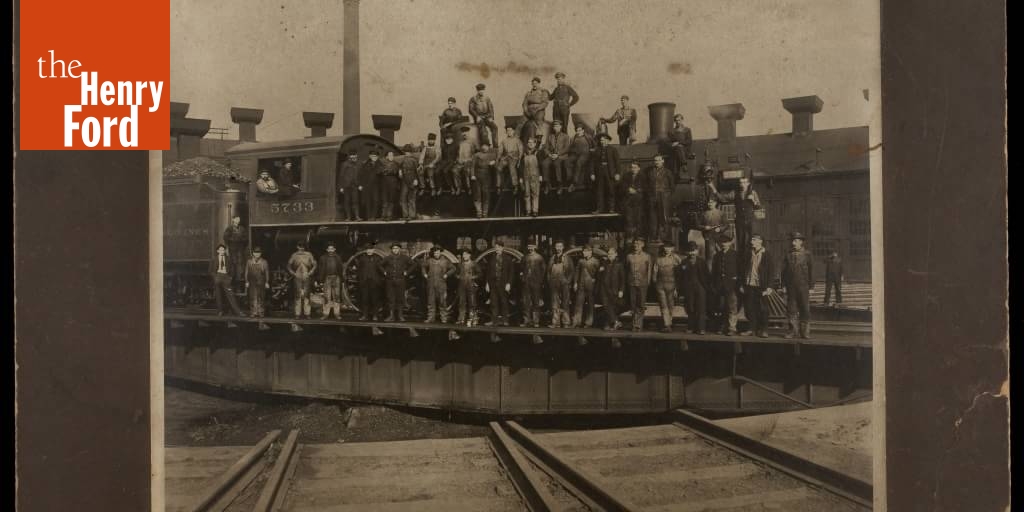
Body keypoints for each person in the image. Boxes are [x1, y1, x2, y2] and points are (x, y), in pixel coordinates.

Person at [718, 176, 762, 259]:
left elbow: (759, 207)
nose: (742, 184)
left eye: (744, 182)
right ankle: (741, 262)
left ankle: (751, 261)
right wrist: (713, 190)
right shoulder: (735, 193)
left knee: (751, 241)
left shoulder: (753, 193)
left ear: (748, 183)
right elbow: (722, 199)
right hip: (739, 222)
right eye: (741, 182)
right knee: (740, 243)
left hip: (750, 221)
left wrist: (753, 200)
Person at [781, 231, 814, 339]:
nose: (793, 243)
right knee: (791, 309)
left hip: (803, 286)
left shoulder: (807, 254)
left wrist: (811, 287)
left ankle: (805, 332)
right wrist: (783, 285)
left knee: (805, 308)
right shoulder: (788, 254)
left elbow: (812, 271)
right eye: (792, 241)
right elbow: (784, 271)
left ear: (801, 242)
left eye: (795, 241)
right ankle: (793, 331)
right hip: (791, 287)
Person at [741, 234, 773, 338]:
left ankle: (763, 330)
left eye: (754, 240)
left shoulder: (766, 254)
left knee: (763, 309)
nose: (752, 242)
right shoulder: (748, 254)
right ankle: (751, 329)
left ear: (760, 241)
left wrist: (769, 286)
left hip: (762, 286)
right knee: (749, 308)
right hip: (749, 285)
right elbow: (742, 270)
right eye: (751, 240)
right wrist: (742, 284)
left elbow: (771, 271)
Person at [711, 235, 740, 335]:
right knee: (721, 307)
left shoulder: (735, 254)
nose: (724, 244)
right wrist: (714, 285)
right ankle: (722, 326)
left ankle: (732, 328)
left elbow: (740, 270)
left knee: (732, 306)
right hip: (719, 285)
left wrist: (737, 282)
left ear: (730, 243)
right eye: (722, 242)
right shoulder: (717, 255)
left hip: (731, 285)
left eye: (726, 242)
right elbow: (714, 272)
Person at [679, 241, 709, 334]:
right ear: (687, 252)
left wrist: (706, 287)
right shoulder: (684, 262)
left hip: (700, 287)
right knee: (690, 307)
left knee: (701, 308)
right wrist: (682, 290)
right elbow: (681, 277)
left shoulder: (702, 262)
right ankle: (690, 327)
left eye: (694, 250)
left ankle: (701, 328)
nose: (692, 253)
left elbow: (707, 275)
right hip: (689, 288)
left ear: (697, 251)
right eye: (690, 251)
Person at [653, 242, 682, 332]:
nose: (667, 249)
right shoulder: (658, 259)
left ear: (673, 248)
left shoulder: (676, 258)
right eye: (665, 247)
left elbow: (680, 273)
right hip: (660, 285)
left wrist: (677, 287)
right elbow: (654, 273)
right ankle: (667, 324)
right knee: (663, 305)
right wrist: (655, 283)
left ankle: (670, 321)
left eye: (669, 247)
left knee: (670, 304)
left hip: (672, 285)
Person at [485, 240, 515, 326]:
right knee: (494, 303)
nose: (496, 249)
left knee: (504, 302)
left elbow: (511, 273)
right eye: (496, 247)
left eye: (498, 247)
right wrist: (487, 283)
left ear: (502, 247)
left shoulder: (508, 258)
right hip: (493, 284)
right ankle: (494, 321)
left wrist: (509, 283)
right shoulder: (492, 258)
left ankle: (505, 320)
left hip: (503, 284)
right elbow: (488, 272)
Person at [210, 244, 245, 316]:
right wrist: (215, 277)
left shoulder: (228, 259)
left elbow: (232, 268)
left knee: (231, 295)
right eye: (221, 250)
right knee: (218, 295)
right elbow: (210, 270)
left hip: (226, 276)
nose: (222, 251)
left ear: (225, 251)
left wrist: (230, 277)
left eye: (223, 250)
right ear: (218, 251)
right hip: (218, 276)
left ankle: (238, 312)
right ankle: (220, 311)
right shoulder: (214, 259)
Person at [422, 246, 455, 323]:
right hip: (431, 284)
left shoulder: (445, 261)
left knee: (442, 301)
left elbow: (453, 268)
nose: (436, 254)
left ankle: (444, 318)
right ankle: (431, 318)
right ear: (433, 253)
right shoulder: (429, 261)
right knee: (431, 301)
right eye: (435, 253)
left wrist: (447, 274)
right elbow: (423, 266)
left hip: (441, 284)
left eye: (437, 252)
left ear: (440, 252)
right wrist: (424, 274)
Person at [626, 238, 653, 331]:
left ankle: (639, 324)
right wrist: (628, 282)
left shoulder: (647, 256)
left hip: (642, 283)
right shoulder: (629, 256)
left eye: (638, 244)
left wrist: (648, 282)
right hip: (632, 283)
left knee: (641, 304)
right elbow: (627, 269)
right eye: (635, 244)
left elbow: (649, 270)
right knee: (633, 304)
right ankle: (634, 324)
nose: (636, 246)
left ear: (643, 245)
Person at [382, 243, 413, 322]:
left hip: (400, 281)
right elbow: (379, 265)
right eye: (394, 248)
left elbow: (414, 264)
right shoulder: (387, 258)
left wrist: (407, 272)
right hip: (390, 281)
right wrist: (384, 271)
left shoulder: (404, 258)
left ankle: (400, 316)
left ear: (399, 249)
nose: (395, 250)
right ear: (392, 250)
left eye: (397, 248)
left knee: (400, 298)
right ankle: (391, 316)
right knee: (391, 299)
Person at [351, 243, 383, 320]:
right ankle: (365, 315)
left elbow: (381, 270)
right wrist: (360, 279)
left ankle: (375, 315)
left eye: (370, 249)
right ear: (366, 250)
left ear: (373, 250)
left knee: (375, 299)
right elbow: (359, 270)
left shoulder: (377, 259)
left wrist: (379, 280)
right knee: (365, 299)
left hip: (374, 282)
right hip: (364, 282)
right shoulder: (362, 259)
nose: (369, 251)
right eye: (368, 250)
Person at [287, 242, 317, 320]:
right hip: (297, 277)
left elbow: (314, 264)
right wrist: (293, 273)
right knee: (297, 295)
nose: (301, 248)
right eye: (300, 247)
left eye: (303, 247)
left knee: (307, 295)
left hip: (306, 277)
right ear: (297, 247)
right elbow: (288, 266)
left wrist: (310, 272)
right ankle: (297, 314)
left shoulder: (309, 254)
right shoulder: (294, 255)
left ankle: (307, 313)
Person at [547, 241, 574, 328]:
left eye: (560, 246)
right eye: (557, 246)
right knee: (555, 303)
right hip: (554, 283)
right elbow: (548, 271)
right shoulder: (552, 258)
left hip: (564, 283)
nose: (558, 248)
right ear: (555, 247)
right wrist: (549, 281)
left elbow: (571, 271)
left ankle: (566, 322)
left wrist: (568, 281)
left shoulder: (567, 258)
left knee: (565, 303)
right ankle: (556, 323)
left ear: (563, 247)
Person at [647, 155, 674, 242]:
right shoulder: (650, 172)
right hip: (653, 198)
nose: (657, 162)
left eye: (659, 160)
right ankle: (654, 237)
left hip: (664, 197)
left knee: (664, 217)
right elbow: (648, 185)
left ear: (663, 161)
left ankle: (665, 238)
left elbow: (672, 186)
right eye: (655, 160)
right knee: (653, 218)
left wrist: (666, 195)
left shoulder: (668, 172)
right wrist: (650, 196)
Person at [591, 133, 620, 214]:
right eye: (601, 140)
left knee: (611, 190)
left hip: (610, 172)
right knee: (599, 191)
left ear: (608, 140)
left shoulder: (613, 149)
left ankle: (611, 208)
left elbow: (617, 162)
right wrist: (592, 173)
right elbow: (592, 163)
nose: (602, 142)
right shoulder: (597, 150)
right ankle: (599, 209)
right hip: (599, 172)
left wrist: (617, 173)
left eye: (604, 140)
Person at [519, 239, 546, 327]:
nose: (530, 248)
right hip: (526, 283)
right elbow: (521, 269)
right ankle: (526, 320)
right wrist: (522, 278)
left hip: (536, 283)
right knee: (526, 302)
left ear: (535, 247)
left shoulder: (539, 257)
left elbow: (543, 270)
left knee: (536, 302)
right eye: (529, 246)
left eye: (532, 246)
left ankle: (536, 321)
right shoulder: (525, 257)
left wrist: (540, 281)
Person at [573, 244, 601, 328]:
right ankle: (577, 322)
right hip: (581, 285)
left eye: (585, 251)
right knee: (578, 304)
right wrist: (575, 283)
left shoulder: (596, 261)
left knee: (590, 305)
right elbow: (577, 272)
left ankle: (589, 323)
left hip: (591, 286)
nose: (584, 253)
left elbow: (598, 275)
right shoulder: (580, 261)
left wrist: (596, 286)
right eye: (583, 251)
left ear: (590, 252)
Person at [541, 119, 571, 195]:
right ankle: (547, 184)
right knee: (544, 164)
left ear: (561, 127)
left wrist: (557, 154)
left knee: (557, 163)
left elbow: (567, 148)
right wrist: (549, 154)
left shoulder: (565, 136)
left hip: (561, 156)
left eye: (557, 126)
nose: (556, 127)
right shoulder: (550, 136)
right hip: (551, 155)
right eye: (554, 126)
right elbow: (546, 148)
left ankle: (559, 184)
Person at [316, 242, 345, 319]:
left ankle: (337, 314)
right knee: (326, 297)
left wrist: (341, 279)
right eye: (329, 249)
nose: (330, 250)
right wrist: (320, 280)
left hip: (336, 278)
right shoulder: (322, 258)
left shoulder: (338, 258)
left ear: (334, 249)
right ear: (327, 249)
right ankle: (325, 314)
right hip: (327, 279)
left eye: (332, 248)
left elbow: (341, 269)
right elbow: (320, 270)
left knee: (337, 296)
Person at [599, 246, 625, 330]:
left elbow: (622, 279)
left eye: (611, 254)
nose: (609, 255)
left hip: (614, 289)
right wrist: (600, 271)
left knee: (612, 306)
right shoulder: (604, 263)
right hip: (604, 289)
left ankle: (608, 324)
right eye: (608, 254)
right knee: (606, 305)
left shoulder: (619, 265)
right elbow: (599, 276)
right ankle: (616, 321)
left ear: (616, 254)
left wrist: (621, 290)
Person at [470, 141, 497, 218]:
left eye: (486, 146)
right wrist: (472, 175)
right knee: (477, 195)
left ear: (488, 147)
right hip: (477, 177)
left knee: (486, 195)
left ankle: (485, 213)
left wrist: (494, 163)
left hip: (487, 177)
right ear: (481, 146)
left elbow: (496, 165)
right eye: (483, 145)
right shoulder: (476, 155)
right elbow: (472, 166)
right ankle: (479, 212)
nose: (485, 147)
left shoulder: (492, 155)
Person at [621, 160, 646, 241]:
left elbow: (646, 187)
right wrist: (628, 189)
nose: (633, 169)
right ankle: (629, 237)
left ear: (639, 168)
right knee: (629, 219)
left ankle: (638, 237)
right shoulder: (626, 176)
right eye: (632, 167)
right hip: (628, 202)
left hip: (639, 201)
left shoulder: (643, 176)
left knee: (638, 219)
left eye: (635, 167)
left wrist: (637, 190)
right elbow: (622, 186)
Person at [455, 249, 481, 326]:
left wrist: (473, 277)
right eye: (463, 255)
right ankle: (461, 319)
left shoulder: (474, 264)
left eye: (466, 254)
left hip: (471, 285)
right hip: (462, 286)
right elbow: (456, 274)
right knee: (461, 302)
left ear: (470, 255)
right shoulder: (460, 265)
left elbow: (480, 273)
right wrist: (459, 277)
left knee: (472, 303)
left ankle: (473, 319)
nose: (464, 256)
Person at [496, 125, 524, 194]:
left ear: (513, 131)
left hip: (514, 158)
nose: (509, 132)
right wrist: (498, 159)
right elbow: (500, 151)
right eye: (507, 130)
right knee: (498, 168)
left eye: (510, 130)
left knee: (512, 168)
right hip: (506, 158)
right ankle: (498, 186)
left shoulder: (517, 140)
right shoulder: (504, 141)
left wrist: (519, 159)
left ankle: (515, 186)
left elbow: (521, 150)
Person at [698, 196, 725, 266]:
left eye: (711, 202)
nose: (709, 204)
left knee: (721, 255)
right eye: (708, 202)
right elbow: (698, 225)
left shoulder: (721, 213)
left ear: (715, 203)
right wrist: (704, 227)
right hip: (709, 238)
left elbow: (726, 225)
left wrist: (720, 229)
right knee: (709, 257)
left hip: (719, 237)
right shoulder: (704, 213)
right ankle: (709, 272)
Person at [521, 77, 550, 142]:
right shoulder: (528, 93)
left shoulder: (543, 92)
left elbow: (545, 103)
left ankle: (540, 139)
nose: (534, 85)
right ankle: (516, 138)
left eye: (536, 83)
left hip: (539, 111)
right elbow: (524, 104)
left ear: (539, 84)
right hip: (529, 111)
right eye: (533, 83)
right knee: (521, 123)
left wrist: (537, 109)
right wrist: (526, 111)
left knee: (539, 122)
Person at [244, 246, 270, 318]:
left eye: (258, 253)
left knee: (261, 297)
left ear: (261, 253)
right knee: (252, 297)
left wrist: (267, 282)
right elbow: (246, 272)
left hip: (261, 281)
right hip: (252, 282)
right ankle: (253, 312)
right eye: (255, 252)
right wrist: (246, 281)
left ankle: (261, 312)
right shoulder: (249, 261)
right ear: (253, 253)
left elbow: (267, 272)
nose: (257, 254)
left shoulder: (264, 262)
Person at [567, 125, 594, 191]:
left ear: (583, 130)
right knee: (567, 161)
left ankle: (574, 183)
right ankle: (569, 177)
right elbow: (570, 148)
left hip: (585, 155)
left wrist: (592, 149)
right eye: (577, 130)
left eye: (580, 130)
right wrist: (572, 151)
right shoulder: (573, 138)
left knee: (578, 163)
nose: (578, 132)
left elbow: (595, 145)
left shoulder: (588, 137)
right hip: (575, 154)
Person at [223, 215, 248, 285]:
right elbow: (225, 238)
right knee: (233, 263)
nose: (238, 220)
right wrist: (228, 247)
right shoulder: (229, 228)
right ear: (233, 220)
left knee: (240, 263)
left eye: (238, 219)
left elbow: (246, 238)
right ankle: (232, 279)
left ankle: (239, 278)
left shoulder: (242, 229)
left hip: (240, 249)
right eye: (236, 219)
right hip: (232, 249)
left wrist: (242, 242)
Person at [666, 113, 693, 178]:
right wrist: (672, 145)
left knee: (679, 147)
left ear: (682, 120)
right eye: (676, 120)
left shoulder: (687, 130)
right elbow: (669, 142)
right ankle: (683, 165)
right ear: (674, 121)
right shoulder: (671, 131)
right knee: (677, 149)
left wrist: (678, 142)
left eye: (679, 120)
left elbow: (689, 141)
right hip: (675, 150)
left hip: (685, 150)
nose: (677, 122)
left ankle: (683, 165)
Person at [358, 150, 383, 220]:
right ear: (370, 156)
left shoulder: (380, 164)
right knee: (367, 201)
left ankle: (374, 216)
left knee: (376, 200)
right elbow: (361, 175)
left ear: (378, 157)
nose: (374, 158)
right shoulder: (365, 164)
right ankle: (369, 216)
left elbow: (382, 174)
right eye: (373, 156)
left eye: (375, 156)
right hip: (367, 185)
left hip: (376, 186)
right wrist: (360, 184)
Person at [522, 136, 542, 217]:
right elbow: (521, 167)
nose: (530, 144)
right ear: (527, 144)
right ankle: (528, 211)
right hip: (526, 176)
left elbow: (541, 165)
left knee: (535, 193)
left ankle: (535, 211)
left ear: (535, 144)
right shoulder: (524, 154)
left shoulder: (538, 153)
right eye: (529, 142)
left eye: (532, 142)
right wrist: (520, 177)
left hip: (535, 176)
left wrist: (541, 175)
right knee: (526, 194)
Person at [337, 153, 361, 221]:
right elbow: (341, 176)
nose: (355, 158)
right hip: (346, 186)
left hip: (355, 186)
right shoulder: (344, 164)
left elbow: (359, 175)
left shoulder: (357, 164)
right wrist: (341, 187)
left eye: (356, 157)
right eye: (354, 157)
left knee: (355, 201)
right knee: (347, 202)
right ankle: (348, 217)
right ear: (350, 157)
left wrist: (359, 185)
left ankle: (357, 216)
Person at [399, 145, 420, 220]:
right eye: (406, 152)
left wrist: (416, 179)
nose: (407, 153)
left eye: (408, 152)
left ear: (411, 152)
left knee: (411, 198)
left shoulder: (414, 160)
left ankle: (412, 215)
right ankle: (405, 215)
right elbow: (400, 168)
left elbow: (418, 171)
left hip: (412, 180)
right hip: (404, 181)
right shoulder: (402, 160)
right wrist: (400, 171)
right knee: (403, 198)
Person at [379, 151, 401, 221]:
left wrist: (387, 172)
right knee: (384, 199)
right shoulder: (382, 164)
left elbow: (396, 172)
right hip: (384, 184)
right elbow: (380, 172)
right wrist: (387, 172)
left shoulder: (396, 164)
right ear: (387, 156)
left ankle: (389, 215)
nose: (391, 157)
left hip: (393, 184)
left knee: (391, 200)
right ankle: (383, 215)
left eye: (392, 155)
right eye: (390, 155)